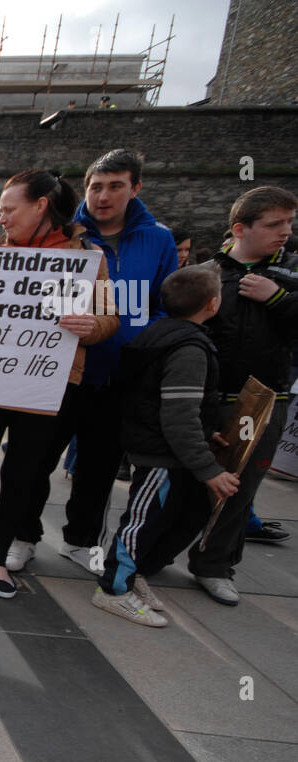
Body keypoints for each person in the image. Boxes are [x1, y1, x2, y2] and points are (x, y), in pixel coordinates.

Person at [0, 170, 118, 598]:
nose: (1, 218)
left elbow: (111, 318)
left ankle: (0, 560)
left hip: (43, 386)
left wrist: (91, 325)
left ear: (40, 206)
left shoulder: (86, 258)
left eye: (9, 209)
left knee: (22, 475)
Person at [6, 149, 180, 574]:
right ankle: (23, 535)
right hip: (59, 372)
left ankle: (81, 541)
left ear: (135, 188)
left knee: (99, 468)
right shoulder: (66, 237)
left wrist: (128, 336)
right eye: (96, 187)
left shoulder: (158, 239)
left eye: (116, 186)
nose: (104, 196)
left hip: (121, 375)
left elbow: (167, 304)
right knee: (36, 460)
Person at [93, 263, 237, 625]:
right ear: (213, 304)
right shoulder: (189, 348)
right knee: (141, 522)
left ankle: (132, 576)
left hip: (163, 449)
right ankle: (113, 588)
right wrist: (209, 469)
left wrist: (204, 437)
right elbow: (177, 415)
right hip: (160, 453)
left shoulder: (162, 334)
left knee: (160, 519)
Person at [188, 186, 298, 605]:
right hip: (210, 397)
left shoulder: (291, 273)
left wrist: (280, 299)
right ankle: (155, 553)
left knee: (239, 489)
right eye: (275, 224)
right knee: (186, 483)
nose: (285, 232)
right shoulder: (207, 273)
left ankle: (214, 566)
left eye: (288, 222)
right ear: (240, 229)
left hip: (265, 400)